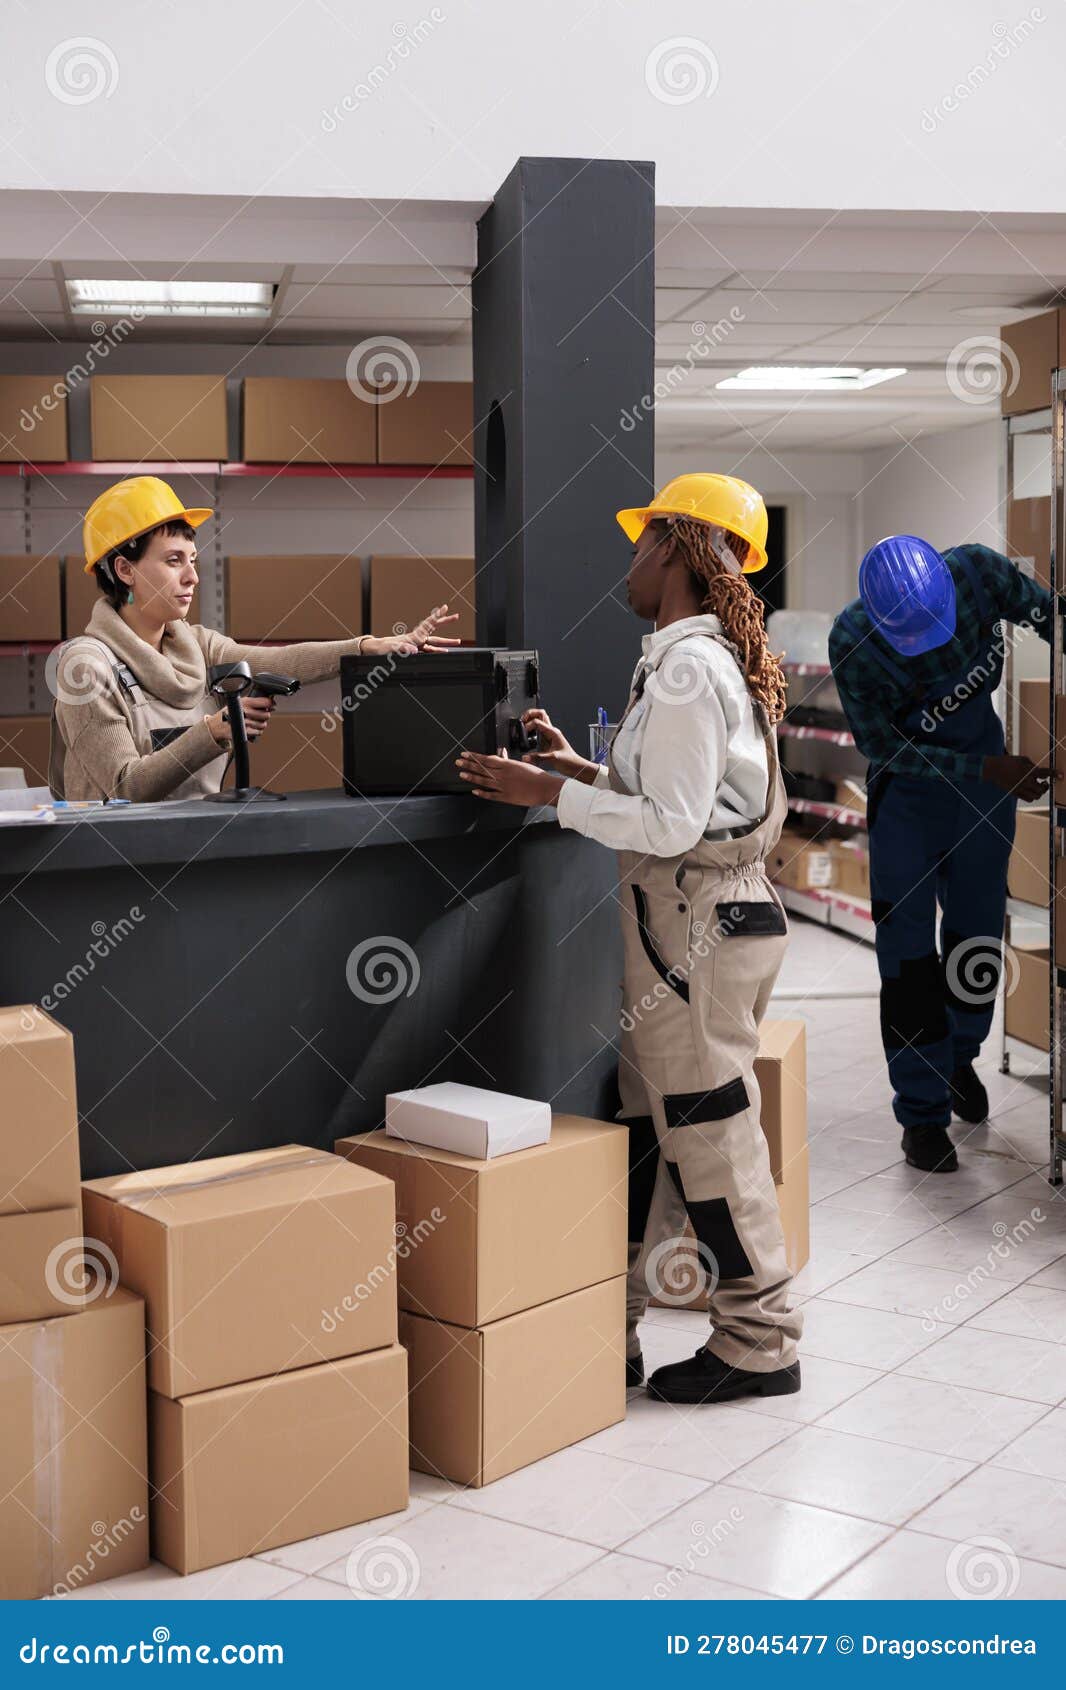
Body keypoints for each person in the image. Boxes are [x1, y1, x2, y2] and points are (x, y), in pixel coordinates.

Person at [457, 473, 802, 1406]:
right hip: (691, 927)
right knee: (661, 1126)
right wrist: (579, 765)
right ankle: (618, 1322)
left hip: (694, 930)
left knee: (713, 1134)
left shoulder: (690, 666)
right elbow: (676, 796)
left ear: (675, 550)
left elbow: (674, 824)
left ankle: (762, 1340)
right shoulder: (687, 659)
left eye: (640, 540)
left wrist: (550, 796)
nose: (629, 559)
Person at [829, 535, 1054, 1174]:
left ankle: (961, 1059)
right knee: (908, 957)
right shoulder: (851, 642)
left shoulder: (980, 574)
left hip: (983, 794)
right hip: (911, 797)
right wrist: (985, 768)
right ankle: (921, 1115)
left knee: (976, 934)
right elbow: (884, 748)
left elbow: (1049, 615)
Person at [49, 476, 458, 802]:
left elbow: (283, 661)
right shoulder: (85, 668)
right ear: (124, 570)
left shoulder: (196, 646)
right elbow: (126, 786)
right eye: (173, 561)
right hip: (114, 872)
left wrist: (367, 648)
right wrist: (214, 731)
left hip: (191, 850)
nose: (192, 577)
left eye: (192, 560)